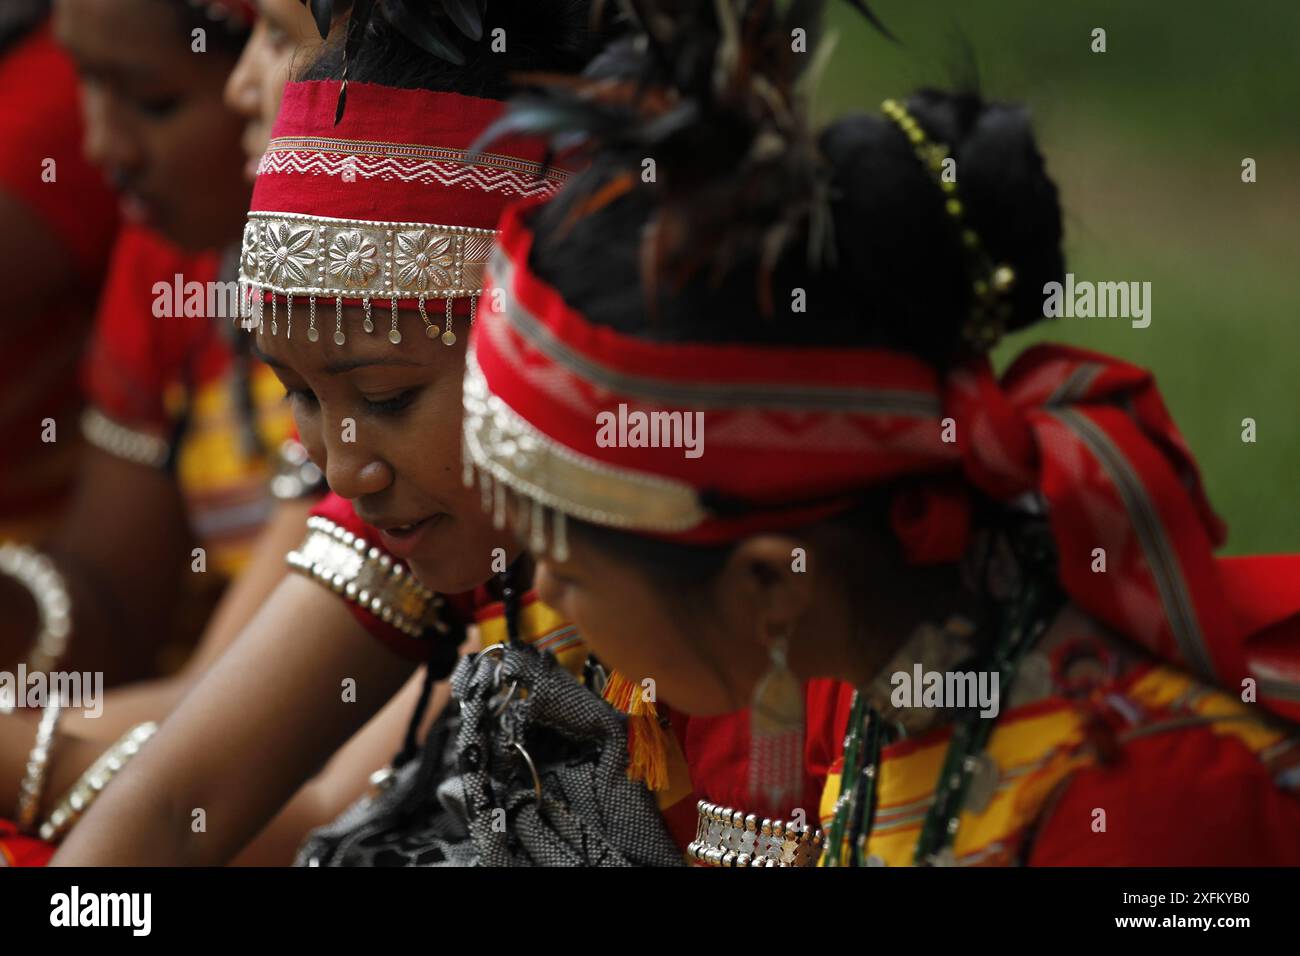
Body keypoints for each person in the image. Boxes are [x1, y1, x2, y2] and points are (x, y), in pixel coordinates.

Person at [458, 0, 1300, 865]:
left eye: (568, 561)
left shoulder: (1142, 806)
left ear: (769, 589)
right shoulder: (893, 703)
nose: (549, 593)